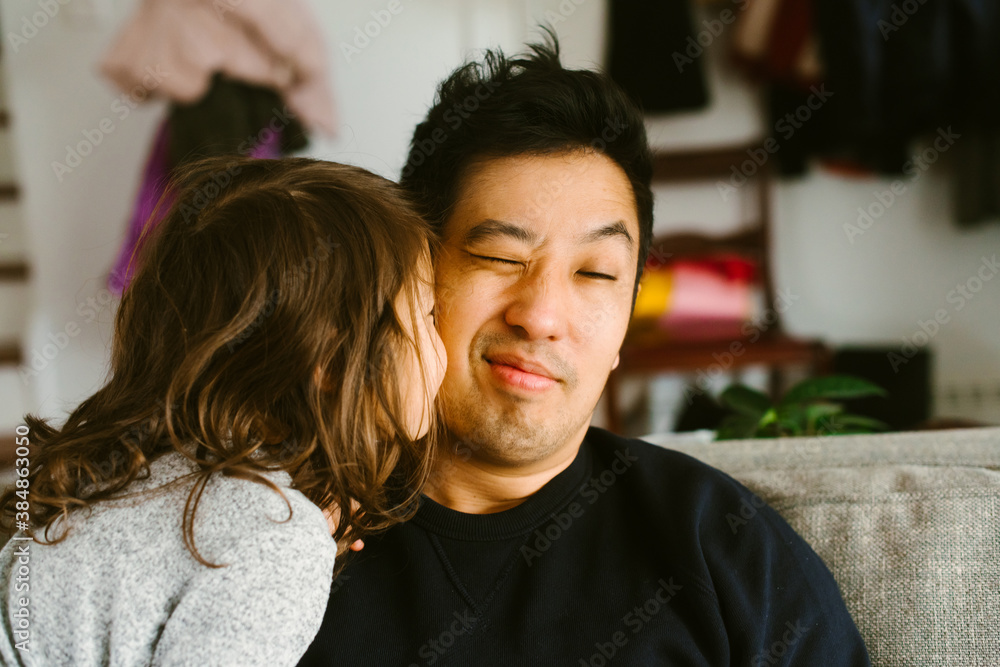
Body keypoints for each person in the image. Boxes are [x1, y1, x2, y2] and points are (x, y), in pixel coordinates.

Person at [300, 33, 870, 666]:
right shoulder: (293, 535)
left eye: (595, 274)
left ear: (627, 316)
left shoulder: (725, 548)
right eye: (499, 257)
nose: (541, 317)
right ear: (411, 276)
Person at [0, 156, 446, 666]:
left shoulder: (149, 469)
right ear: (336, 360)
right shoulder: (274, 542)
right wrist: (290, 547)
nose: (442, 345)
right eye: (428, 314)